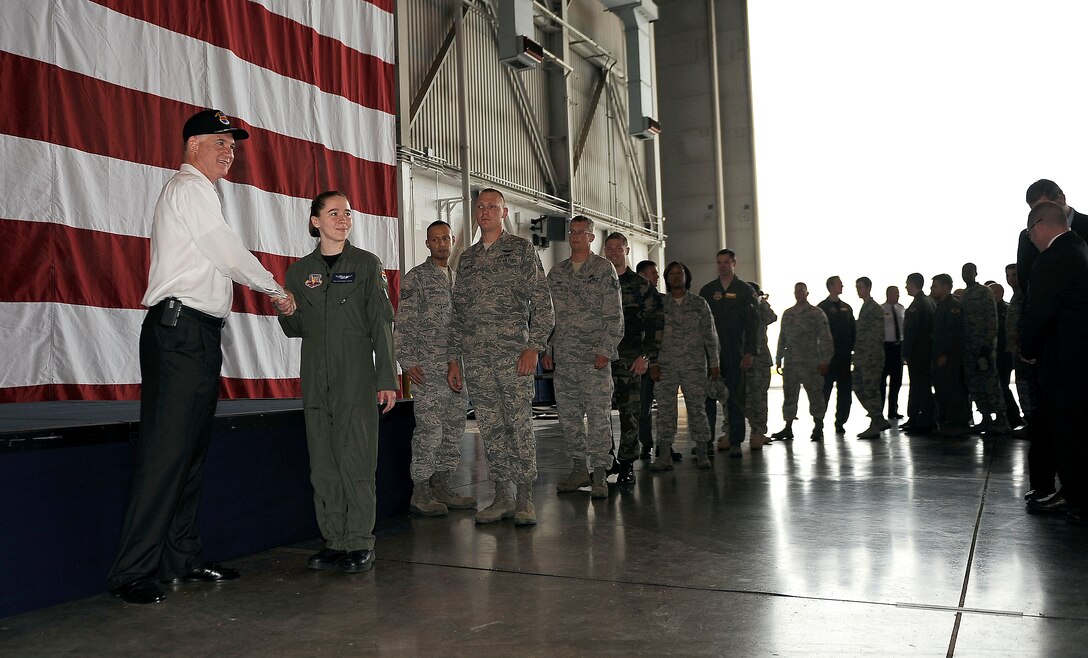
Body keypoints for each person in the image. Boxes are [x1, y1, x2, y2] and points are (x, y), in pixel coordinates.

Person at [107, 110, 295, 605]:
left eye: (232, 144)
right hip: (179, 332)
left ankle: (179, 558)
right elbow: (225, 251)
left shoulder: (201, 192)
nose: (229, 150)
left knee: (189, 454)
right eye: (219, 141)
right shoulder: (189, 188)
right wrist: (274, 289)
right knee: (166, 454)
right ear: (192, 146)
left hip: (199, 334)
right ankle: (133, 572)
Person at [279, 191, 398, 573]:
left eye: (347, 212)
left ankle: (360, 541)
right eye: (333, 213)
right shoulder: (299, 272)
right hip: (316, 378)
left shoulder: (366, 265)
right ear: (315, 221)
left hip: (356, 377)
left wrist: (387, 377)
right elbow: (296, 329)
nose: (343, 218)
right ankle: (335, 540)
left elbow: (381, 324)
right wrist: (286, 310)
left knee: (357, 461)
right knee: (324, 465)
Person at [448, 189, 554, 526]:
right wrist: (454, 358)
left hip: (513, 356)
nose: (485, 211)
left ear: (504, 212)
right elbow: (457, 313)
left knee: (518, 424)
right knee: (491, 427)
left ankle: (524, 497)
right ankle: (502, 495)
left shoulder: (521, 250)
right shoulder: (467, 259)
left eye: (492, 206)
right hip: (477, 358)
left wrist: (533, 346)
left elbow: (542, 304)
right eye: (480, 206)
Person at [396, 221, 476, 517]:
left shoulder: (459, 280)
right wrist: (407, 361)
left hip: (457, 366)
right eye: (435, 239)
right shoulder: (416, 278)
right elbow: (403, 323)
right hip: (427, 367)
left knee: (454, 429)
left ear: (453, 241)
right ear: (427, 244)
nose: (442, 244)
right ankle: (421, 491)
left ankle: (442, 484)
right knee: (430, 429)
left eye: (446, 238)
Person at [544, 216, 623, 499]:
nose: (576, 236)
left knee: (599, 417)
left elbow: (614, 315)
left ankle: (600, 472)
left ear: (591, 238)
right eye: (572, 232)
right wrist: (547, 348)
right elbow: (547, 316)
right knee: (569, 417)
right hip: (565, 357)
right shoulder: (557, 273)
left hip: (593, 359)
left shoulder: (603, 269)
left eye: (582, 232)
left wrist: (605, 348)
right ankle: (579, 469)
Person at [1020, 201, 1088, 519]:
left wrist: (1027, 349)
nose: (1031, 239)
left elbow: (1040, 312)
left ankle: (1076, 496)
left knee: (1065, 431)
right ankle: (1073, 491)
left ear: (1040, 225)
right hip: (1077, 358)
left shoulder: (1053, 257)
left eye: (1030, 232)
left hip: (1061, 360)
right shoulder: (1079, 248)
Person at [603, 233, 664, 484]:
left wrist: (646, 356)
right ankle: (606, 461)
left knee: (630, 413)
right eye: (609, 248)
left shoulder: (640, 286)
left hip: (630, 359)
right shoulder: (597, 283)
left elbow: (656, 323)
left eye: (619, 248)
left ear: (627, 251)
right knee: (600, 414)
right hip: (601, 358)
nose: (614, 252)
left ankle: (627, 463)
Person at [649, 262, 720, 470]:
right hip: (666, 366)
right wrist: (653, 362)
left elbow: (710, 335)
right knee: (665, 411)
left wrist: (714, 363)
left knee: (697, 409)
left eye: (680, 273)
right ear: (666, 278)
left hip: (694, 366)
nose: (676, 276)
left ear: (687, 277)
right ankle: (663, 455)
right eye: (672, 273)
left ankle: (701, 451)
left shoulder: (699, 304)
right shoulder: (661, 305)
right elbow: (653, 336)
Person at [700, 249, 759, 458]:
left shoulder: (744, 291)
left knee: (735, 397)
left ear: (734, 263)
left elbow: (753, 324)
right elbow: (700, 324)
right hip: (711, 353)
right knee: (708, 399)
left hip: (735, 350)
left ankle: (735, 441)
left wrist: (749, 352)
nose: (722, 266)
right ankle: (706, 442)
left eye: (726, 262)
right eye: (719, 262)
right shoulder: (708, 291)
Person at [772, 282, 833, 441]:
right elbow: (782, 337)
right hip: (791, 363)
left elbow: (825, 338)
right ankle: (788, 427)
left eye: (801, 291)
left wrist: (825, 360)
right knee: (789, 396)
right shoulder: (788, 313)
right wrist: (779, 359)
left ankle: (818, 426)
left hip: (811, 363)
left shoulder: (816, 313)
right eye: (796, 291)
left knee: (815, 396)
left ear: (807, 293)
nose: (799, 293)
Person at [960, 263, 1011, 435]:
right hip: (968, 349)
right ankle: (986, 419)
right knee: (975, 385)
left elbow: (992, 319)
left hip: (983, 347)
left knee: (990, 384)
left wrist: (988, 345)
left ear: (975, 273)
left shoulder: (984, 292)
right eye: (964, 272)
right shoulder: (964, 295)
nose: (966, 274)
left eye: (969, 271)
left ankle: (1001, 419)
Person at [635, 259, 675, 461]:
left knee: (667, 407)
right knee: (643, 409)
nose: (658, 277)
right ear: (643, 276)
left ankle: (665, 445)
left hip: (665, 362)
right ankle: (646, 445)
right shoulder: (632, 300)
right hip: (642, 363)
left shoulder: (664, 301)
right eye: (654, 273)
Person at [930, 274, 970, 437]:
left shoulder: (953, 306)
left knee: (953, 389)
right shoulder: (941, 305)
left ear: (946, 287)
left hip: (950, 357)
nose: (933, 289)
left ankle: (959, 423)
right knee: (943, 389)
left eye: (935, 286)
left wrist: (945, 353)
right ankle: (948, 423)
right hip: (940, 354)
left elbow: (953, 333)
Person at [818, 276, 856, 434]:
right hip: (828, 358)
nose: (842, 285)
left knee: (845, 391)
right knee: (824, 391)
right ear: (831, 287)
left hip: (844, 357)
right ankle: (818, 422)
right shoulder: (821, 308)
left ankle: (841, 421)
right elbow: (817, 334)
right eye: (839, 283)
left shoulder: (847, 307)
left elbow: (853, 330)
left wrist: (853, 350)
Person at [900, 273, 937, 434]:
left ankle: (925, 420)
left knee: (920, 386)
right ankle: (918, 418)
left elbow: (912, 332)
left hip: (918, 353)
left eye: (907, 283)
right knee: (921, 386)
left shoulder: (918, 304)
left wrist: (906, 352)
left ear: (913, 283)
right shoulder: (928, 301)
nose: (906, 286)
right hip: (925, 352)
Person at [853, 277, 889, 439]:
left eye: (860, 287)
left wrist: (866, 357)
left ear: (868, 288)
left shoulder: (874, 309)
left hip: (871, 358)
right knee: (859, 386)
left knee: (870, 389)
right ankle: (878, 418)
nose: (858, 290)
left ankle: (875, 423)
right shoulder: (865, 307)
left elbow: (875, 336)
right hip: (863, 356)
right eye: (857, 287)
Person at [744, 282, 777, 447]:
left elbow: (771, 318)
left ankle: (759, 431)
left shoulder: (760, 308)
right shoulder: (740, 308)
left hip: (761, 359)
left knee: (760, 397)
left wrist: (761, 302)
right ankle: (749, 429)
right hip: (743, 358)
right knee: (745, 397)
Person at [1004, 263, 1034, 441]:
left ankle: (1033, 425)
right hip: (1016, 351)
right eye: (1008, 275)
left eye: (1014, 274)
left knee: (1027, 389)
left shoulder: (1025, 295)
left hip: (1025, 353)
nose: (1011, 278)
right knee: (1023, 388)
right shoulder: (1016, 296)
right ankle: (1030, 423)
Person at [988, 281, 1023, 429]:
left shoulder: (1006, 310)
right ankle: (1003, 417)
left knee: (1003, 386)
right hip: (994, 353)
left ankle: (1013, 417)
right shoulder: (990, 311)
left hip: (1004, 354)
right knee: (997, 387)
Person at [880, 286, 905, 420]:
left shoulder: (901, 309)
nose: (897, 295)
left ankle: (893, 410)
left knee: (896, 381)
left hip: (898, 347)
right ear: (888, 294)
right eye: (895, 293)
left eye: (898, 293)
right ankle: (880, 412)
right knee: (882, 382)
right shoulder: (881, 309)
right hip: (885, 347)